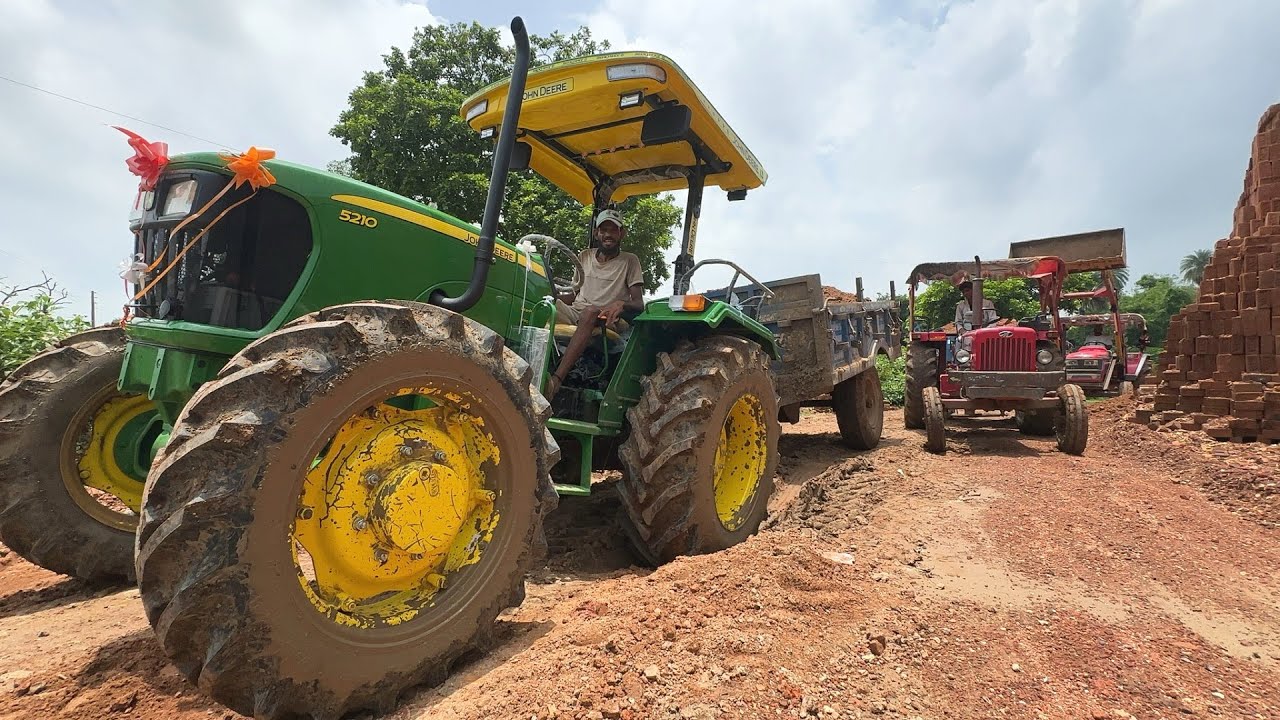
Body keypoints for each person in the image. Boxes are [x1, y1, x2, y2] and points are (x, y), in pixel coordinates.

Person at [546, 208, 645, 399]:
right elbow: (574, 294)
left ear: (621, 233)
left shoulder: (630, 261)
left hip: (605, 317)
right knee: (543, 304)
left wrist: (621, 304)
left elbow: (638, 304)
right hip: (577, 311)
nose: (608, 234)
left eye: (613, 230)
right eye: (604, 230)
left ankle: (556, 380)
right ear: (596, 233)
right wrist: (551, 294)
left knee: (590, 312)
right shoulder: (584, 256)